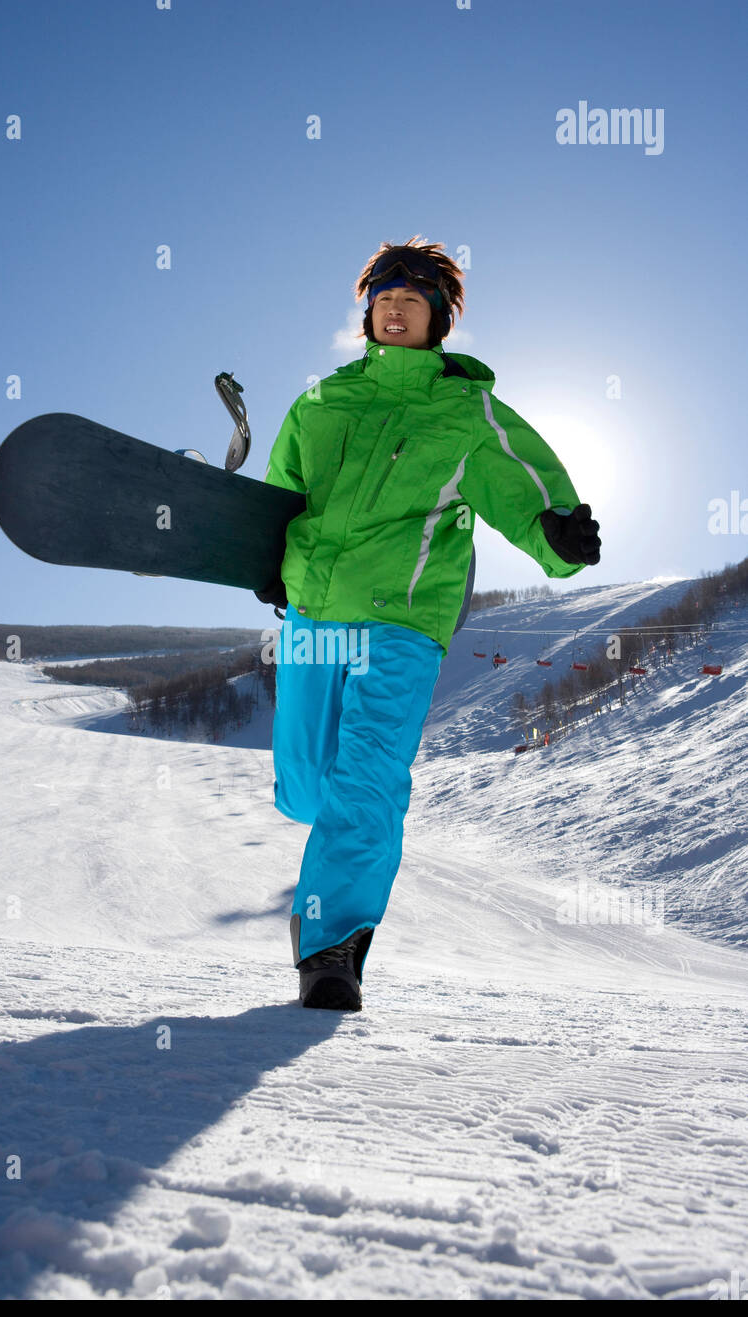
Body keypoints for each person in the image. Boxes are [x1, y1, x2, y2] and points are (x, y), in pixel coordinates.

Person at [256, 236, 601, 1011]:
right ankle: (328, 882)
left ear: (440, 318)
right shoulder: (321, 402)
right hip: (313, 614)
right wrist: (264, 561)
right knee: (307, 785)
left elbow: (527, 490)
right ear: (367, 313)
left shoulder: (466, 410)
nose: (396, 307)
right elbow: (281, 492)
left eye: (413, 298)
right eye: (384, 296)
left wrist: (557, 536)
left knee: (368, 777)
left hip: (403, 620)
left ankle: (332, 946)